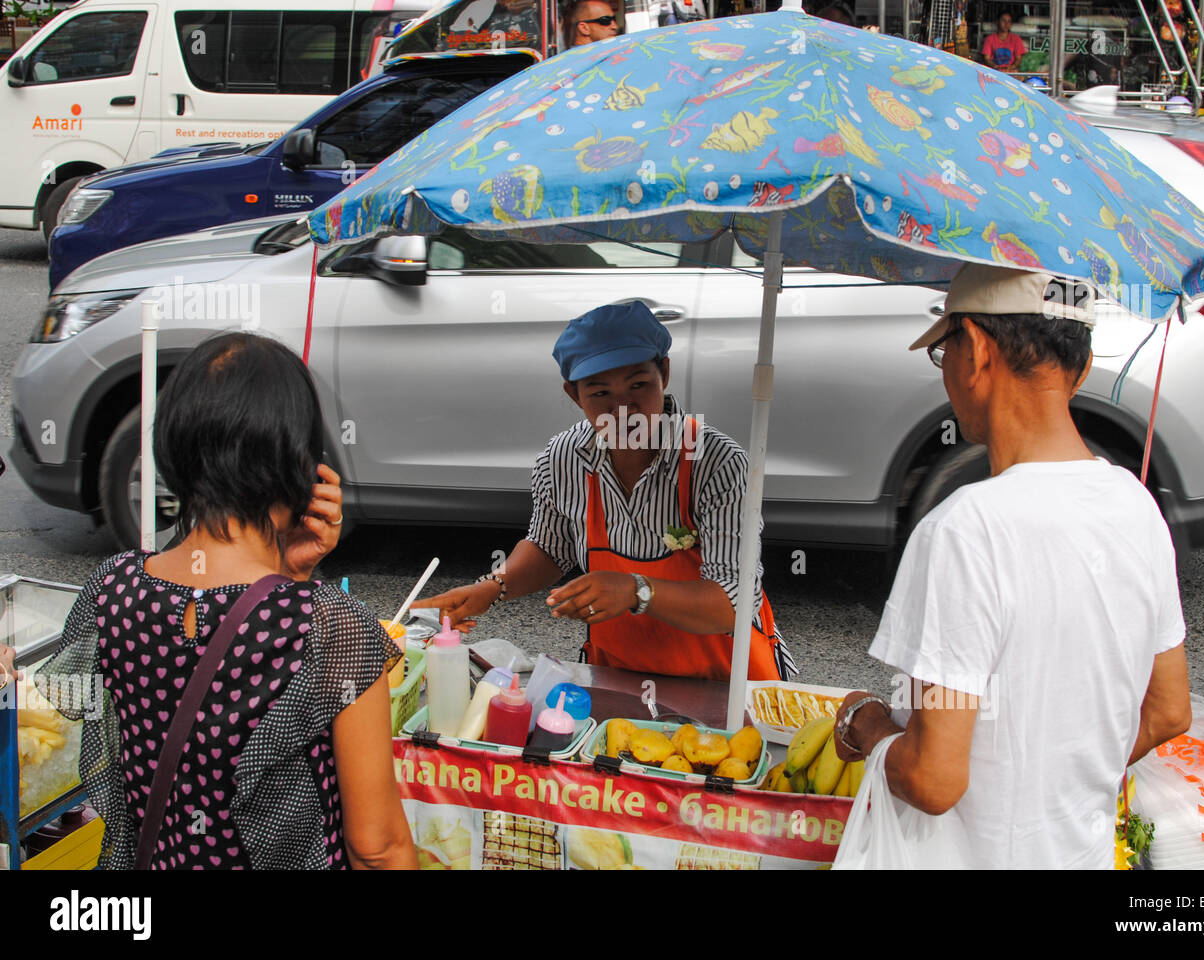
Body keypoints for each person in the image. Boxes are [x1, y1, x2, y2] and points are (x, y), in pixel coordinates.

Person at [831, 265, 1192, 869]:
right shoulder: (1138, 505)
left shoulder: (965, 529)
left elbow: (933, 781)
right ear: (1079, 362)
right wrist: (1058, 782)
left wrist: (862, 727)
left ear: (974, 350)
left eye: (943, 349)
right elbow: (1167, 711)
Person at [35, 332, 417, 870]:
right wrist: (294, 583)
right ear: (300, 464)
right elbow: (376, 847)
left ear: (170, 448)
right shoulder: (331, 627)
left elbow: (84, 701)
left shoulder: (110, 589)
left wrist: (286, 571)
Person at [418, 301, 792, 681]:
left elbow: (733, 603)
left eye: (638, 385)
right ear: (573, 394)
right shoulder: (563, 457)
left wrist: (635, 590)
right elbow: (550, 546)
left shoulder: (716, 462)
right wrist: (493, 586)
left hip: (725, 681)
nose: (623, 408)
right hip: (619, 675)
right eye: (600, 394)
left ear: (664, 371)